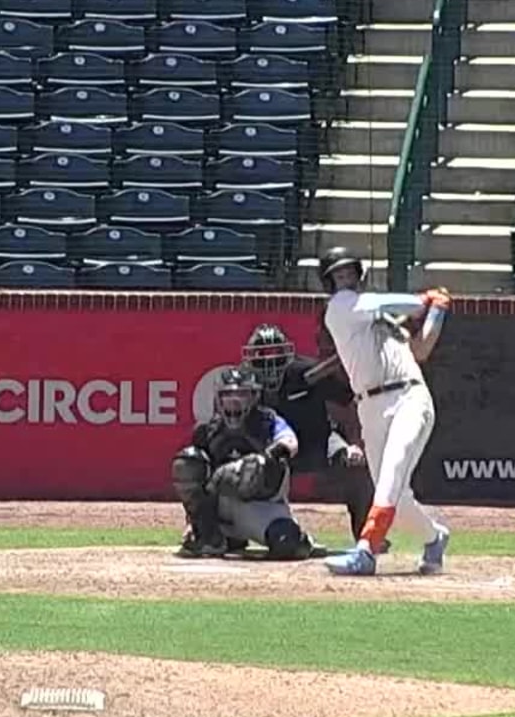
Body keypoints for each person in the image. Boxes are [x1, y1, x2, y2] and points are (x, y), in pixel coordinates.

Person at [318, 247, 452, 577]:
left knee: (392, 471)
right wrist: (424, 300)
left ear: (360, 275)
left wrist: (437, 312)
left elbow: (421, 349)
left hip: (410, 397)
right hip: (370, 406)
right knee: (396, 497)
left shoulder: (387, 321)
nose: (345, 279)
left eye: (350, 273)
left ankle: (367, 548)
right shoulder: (340, 308)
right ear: (329, 282)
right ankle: (434, 537)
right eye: (338, 275)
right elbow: (399, 304)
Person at [240, 323, 376, 545]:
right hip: (269, 451)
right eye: (262, 358)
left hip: (318, 442)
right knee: (227, 469)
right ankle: (226, 534)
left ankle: (367, 537)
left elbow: (349, 401)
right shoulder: (242, 383)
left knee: (356, 466)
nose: (269, 365)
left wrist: (353, 444)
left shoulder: (307, 372)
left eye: (275, 357)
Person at [171, 366, 318, 561]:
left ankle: (299, 538)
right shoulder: (209, 430)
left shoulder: (267, 421)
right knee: (187, 463)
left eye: (242, 395)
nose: (234, 401)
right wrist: (194, 522)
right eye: (228, 395)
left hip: (261, 506)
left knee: (287, 544)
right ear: (219, 398)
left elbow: (289, 442)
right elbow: (194, 480)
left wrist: (265, 458)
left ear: (254, 397)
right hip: (222, 505)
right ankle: (209, 536)